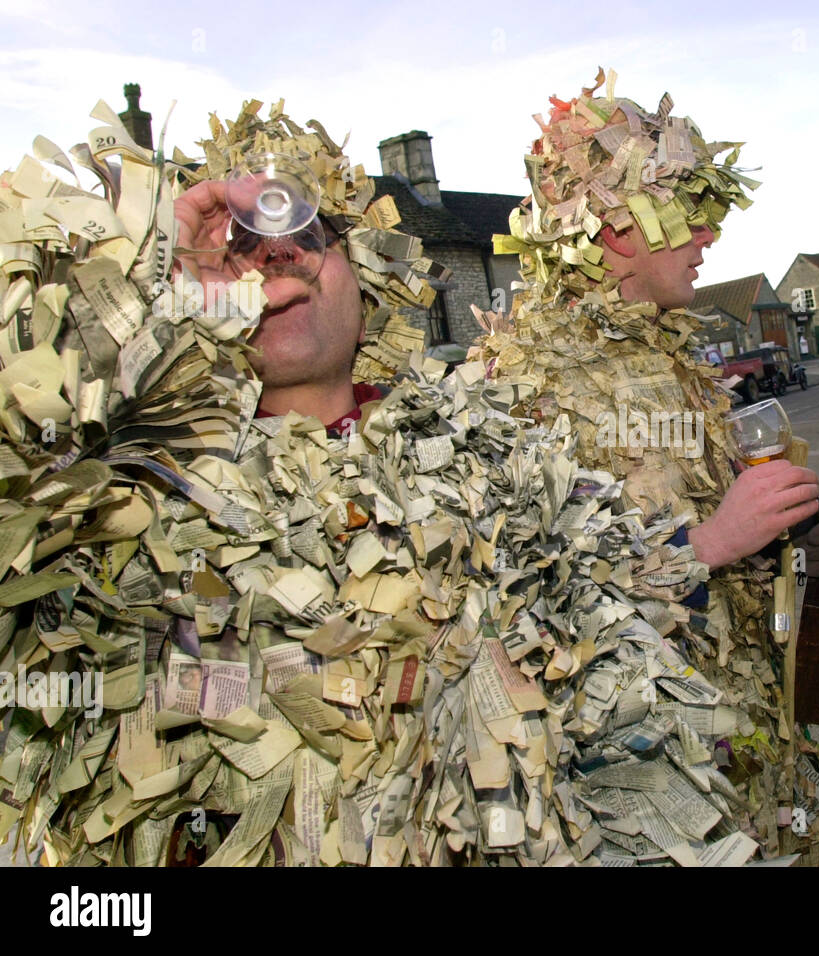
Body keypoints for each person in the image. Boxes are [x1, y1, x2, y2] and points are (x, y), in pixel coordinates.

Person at [2, 97, 757, 867]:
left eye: (305, 234)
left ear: (363, 279)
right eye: (235, 247)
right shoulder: (129, 486)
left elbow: (619, 601)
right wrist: (149, 271)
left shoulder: (496, 445)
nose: (273, 257)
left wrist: (728, 549)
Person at [479, 71, 819, 864]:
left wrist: (798, 550)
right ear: (617, 225)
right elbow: (517, 611)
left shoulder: (678, 354)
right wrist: (709, 545)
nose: (709, 240)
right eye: (690, 215)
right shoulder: (516, 382)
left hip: (748, 752)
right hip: (646, 785)